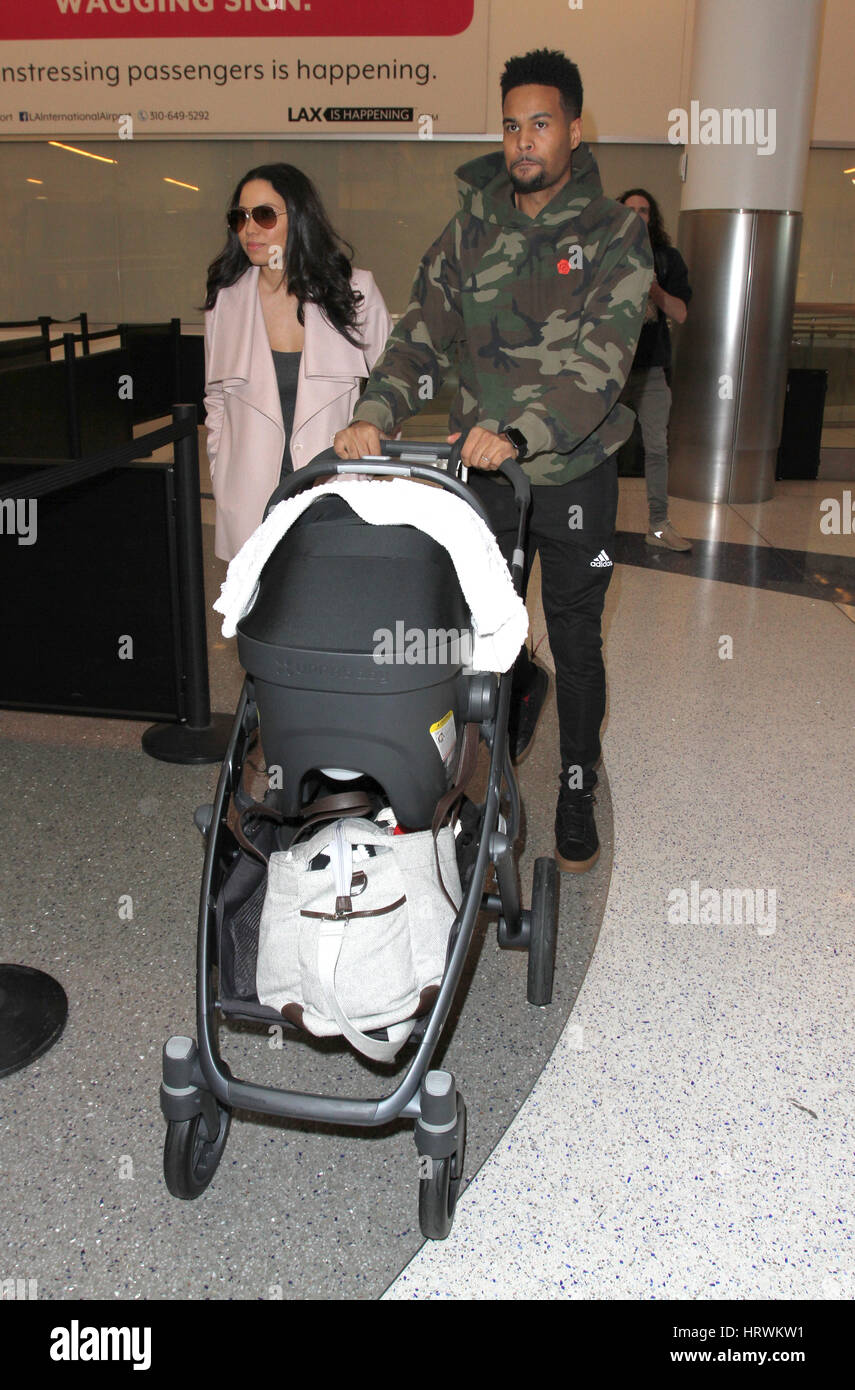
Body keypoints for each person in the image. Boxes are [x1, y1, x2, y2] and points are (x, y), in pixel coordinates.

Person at [333, 49, 652, 874]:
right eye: (511, 124)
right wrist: (374, 412)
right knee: (479, 638)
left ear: (573, 131)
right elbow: (419, 337)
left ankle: (572, 790)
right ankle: (477, 781)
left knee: (576, 639)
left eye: (539, 123)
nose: (522, 140)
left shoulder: (616, 234)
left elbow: (603, 361)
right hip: (484, 483)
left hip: (574, 473)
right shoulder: (468, 230)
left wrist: (519, 430)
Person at [203, 163, 392, 561]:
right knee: (259, 616)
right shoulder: (226, 302)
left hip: (338, 490)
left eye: (265, 215)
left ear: (300, 218)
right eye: (240, 217)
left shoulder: (354, 291)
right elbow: (216, 403)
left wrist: (374, 457)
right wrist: (223, 479)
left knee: (333, 609)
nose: (249, 229)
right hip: (254, 500)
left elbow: (391, 387)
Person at [616, 188, 692, 551]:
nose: (636, 215)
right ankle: (588, 525)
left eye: (643, 210)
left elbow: (680, 313)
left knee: (657, 448)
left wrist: (653, 289)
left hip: (651, 369)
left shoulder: (667, 258)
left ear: (652, 217)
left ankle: (659, 526)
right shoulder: (603, 254)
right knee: (595, 449)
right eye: (629, 210)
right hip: (607, 371)